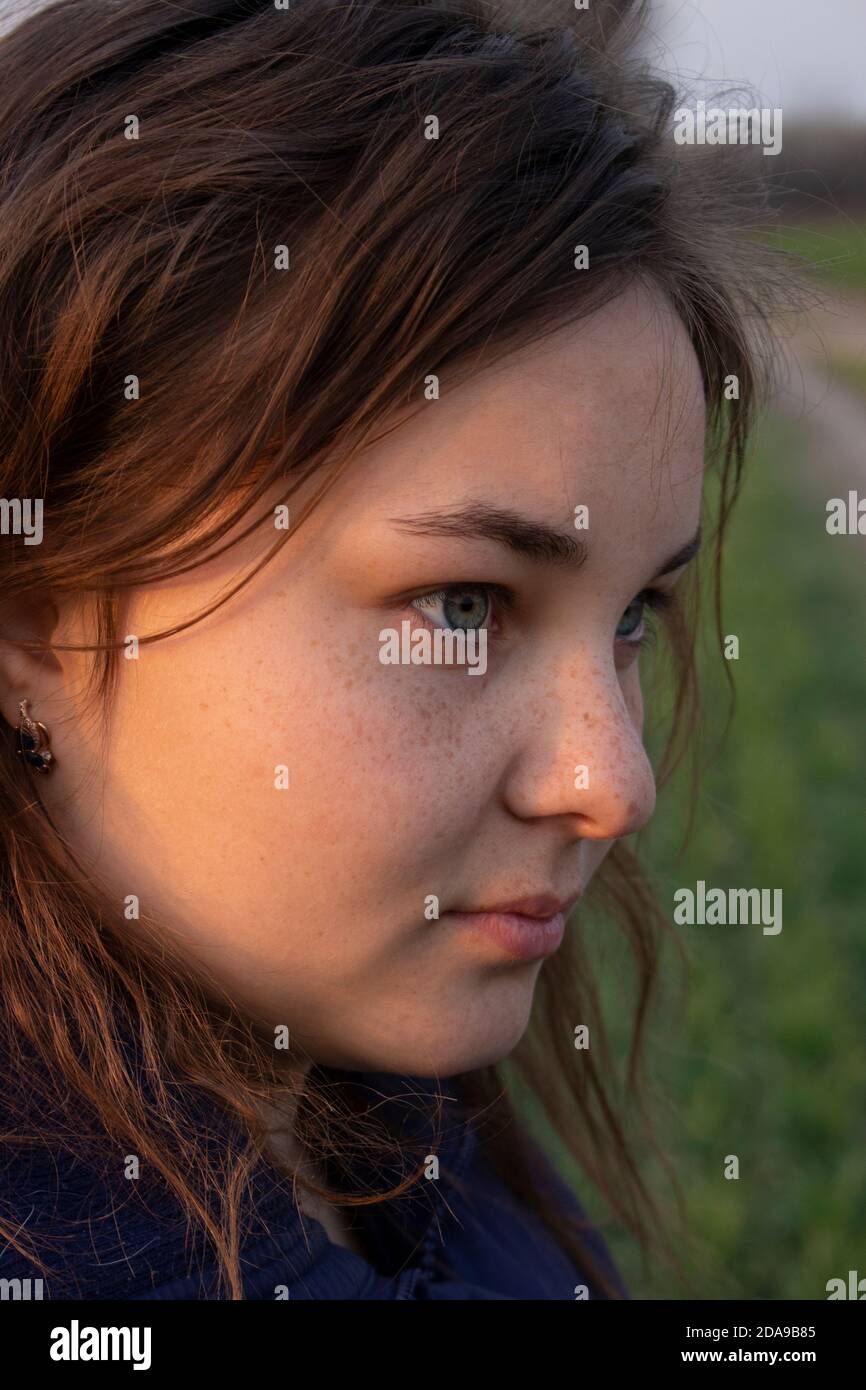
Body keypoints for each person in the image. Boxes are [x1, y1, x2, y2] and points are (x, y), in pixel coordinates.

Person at [0, 0, 796, 1300]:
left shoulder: (373, 1114)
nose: (612, 783)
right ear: (34, 616)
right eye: (463, 606)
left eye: (631, 616)